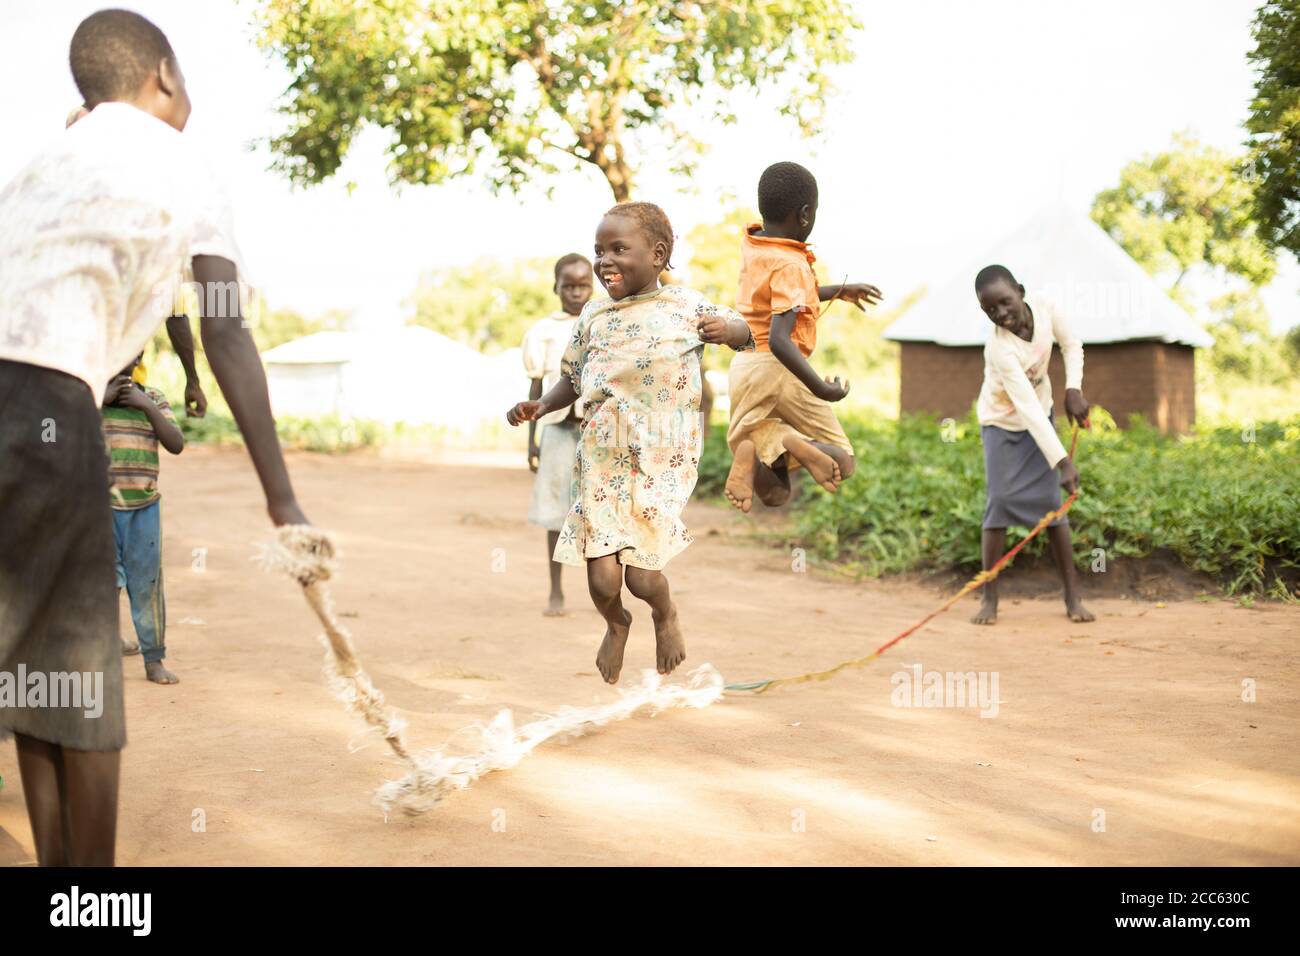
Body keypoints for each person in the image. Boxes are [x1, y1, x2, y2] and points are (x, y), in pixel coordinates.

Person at [0, 9, 309, 866]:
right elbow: (224, 328)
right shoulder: (178, 161)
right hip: (43, 400)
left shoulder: (37, 166)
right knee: (81, 673)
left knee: (32, 661)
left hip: (26, 400)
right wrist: (281, 496)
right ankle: (92, 901)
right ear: (165, 76)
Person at [506, 202, 753, 683]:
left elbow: (745, 334)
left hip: (661, 459)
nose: (604, 261)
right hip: (601, 457)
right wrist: (540, 406)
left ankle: (665, 614)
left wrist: (731, 330)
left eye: (619, 249)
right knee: (601, 576)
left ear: (658, 255)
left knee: (641, 576)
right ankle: (616, 623)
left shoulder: (685, 305)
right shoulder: (594, 314)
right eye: (600, 251)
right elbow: (573, 378)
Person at [724, 161, 883, 512]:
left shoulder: (756, 244)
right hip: (777, 369)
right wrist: (820, 388)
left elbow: (782, 298)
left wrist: (836, 291)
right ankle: (782, 439)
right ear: (806, 214)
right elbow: (780, 339)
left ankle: (770, 442)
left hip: (745, 368)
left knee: (775, 492)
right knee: (843, 461)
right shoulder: (792, 263)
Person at [970, 264, 1095, 626]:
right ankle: (989, 597)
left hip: (1042, 415)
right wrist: (1063, 463)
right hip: (1001, 424)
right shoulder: (999, 347)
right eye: (990, 310)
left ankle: (1073, 596)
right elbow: (1025, 409)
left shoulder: (1046, 308)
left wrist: (1073, 389)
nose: (1001, 314)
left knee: (1054, 507)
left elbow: (1072, 345)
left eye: (1005, 302)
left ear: (1021, 292)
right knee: (999, 504)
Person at [102, 355, 184, 683]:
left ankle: (154, 660)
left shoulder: (155, 398)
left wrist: (146, 405)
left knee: (147, 585)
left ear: (139, 357)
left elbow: (176, 443)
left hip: (144, 508)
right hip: (100, 507)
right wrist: (100, 399)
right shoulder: (89, 399)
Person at [521, 254, 594, 616]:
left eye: (583, 285)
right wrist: (531, 440)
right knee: (555, 512)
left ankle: (604, 592)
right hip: (558, 432)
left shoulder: (604, 320)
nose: (576, 292)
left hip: (598, 432)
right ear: (556, 287)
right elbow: (535, 390)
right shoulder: (543, 331)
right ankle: (556, 590)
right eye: (569, 286)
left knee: (600, 511)